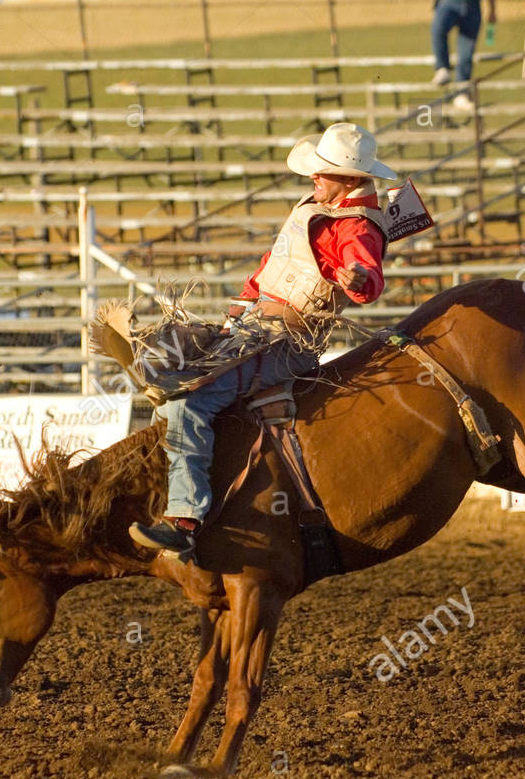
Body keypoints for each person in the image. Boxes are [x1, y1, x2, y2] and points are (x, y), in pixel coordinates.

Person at [129, 123, 397, 554]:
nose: (314, 177)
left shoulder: (358, 228)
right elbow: (275, 260)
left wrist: (359, 278)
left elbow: (367, 279)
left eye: (323, 172)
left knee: (189, 398)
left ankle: (186, 518)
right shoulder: (317, 206)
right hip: (256, 328)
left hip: (289, 343)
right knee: (165, 368)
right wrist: (241, 307)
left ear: (348, 180)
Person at [428, 0, 498, 112]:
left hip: (472, 5)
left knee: (466, 51)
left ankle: (461, 94)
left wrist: (493, 10)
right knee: (438, 29)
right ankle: (442, 68)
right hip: (447, 3)